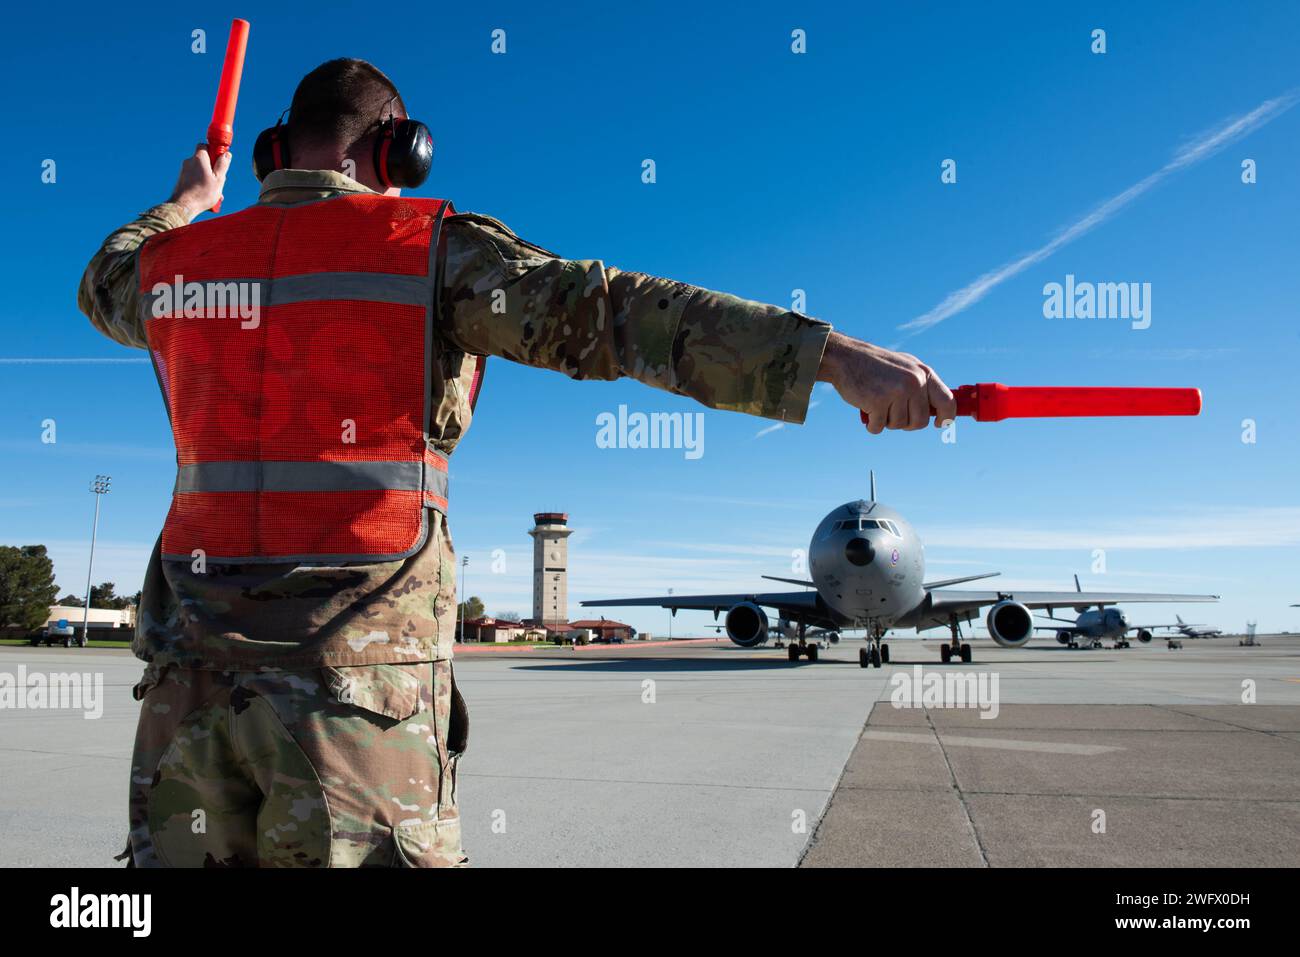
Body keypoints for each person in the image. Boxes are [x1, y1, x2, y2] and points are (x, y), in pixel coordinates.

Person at [78, 58, 956, 868]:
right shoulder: (427, 250)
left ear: (275, 149)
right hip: (351, 695)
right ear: (399, 151)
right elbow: (621, 315)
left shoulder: (173, 269)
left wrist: (185, 204)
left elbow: (101, 278)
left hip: (186, 695)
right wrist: (832, 356)